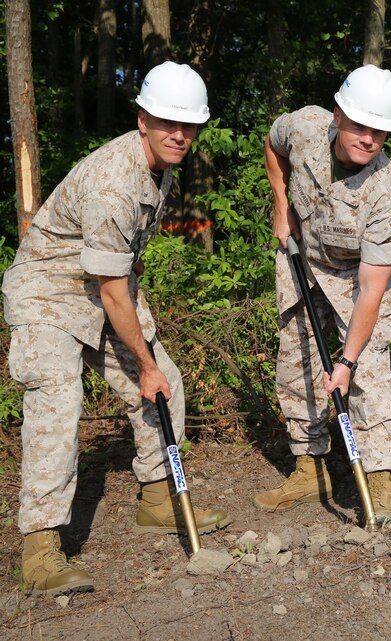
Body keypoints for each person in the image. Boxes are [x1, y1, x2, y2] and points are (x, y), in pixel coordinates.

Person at [2, 62, 230, 596]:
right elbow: (109, 287)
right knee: (58, 400)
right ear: (142, 120)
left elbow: (116, 271)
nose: (179, 134)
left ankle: (156, 499)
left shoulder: (161, 165)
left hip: (103, 282)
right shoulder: (114, 182)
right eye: (166, 122)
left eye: (188, 125)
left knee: (164, 386)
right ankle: (39, 551)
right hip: (48, 290)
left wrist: (151, 368)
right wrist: (142, 365)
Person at [255, 65, 391, 521]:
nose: (370, 139)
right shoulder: (303, 126)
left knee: (370, 371)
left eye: (381, 132)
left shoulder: (386, 190)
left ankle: (378, 481)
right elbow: (272, 145)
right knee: (296, 360)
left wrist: (346, 361)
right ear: (338, 114)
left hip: (356, 277)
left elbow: (372, 289)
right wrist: (283, 209)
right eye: (361, 126)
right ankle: (309, 468)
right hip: (301, 256)